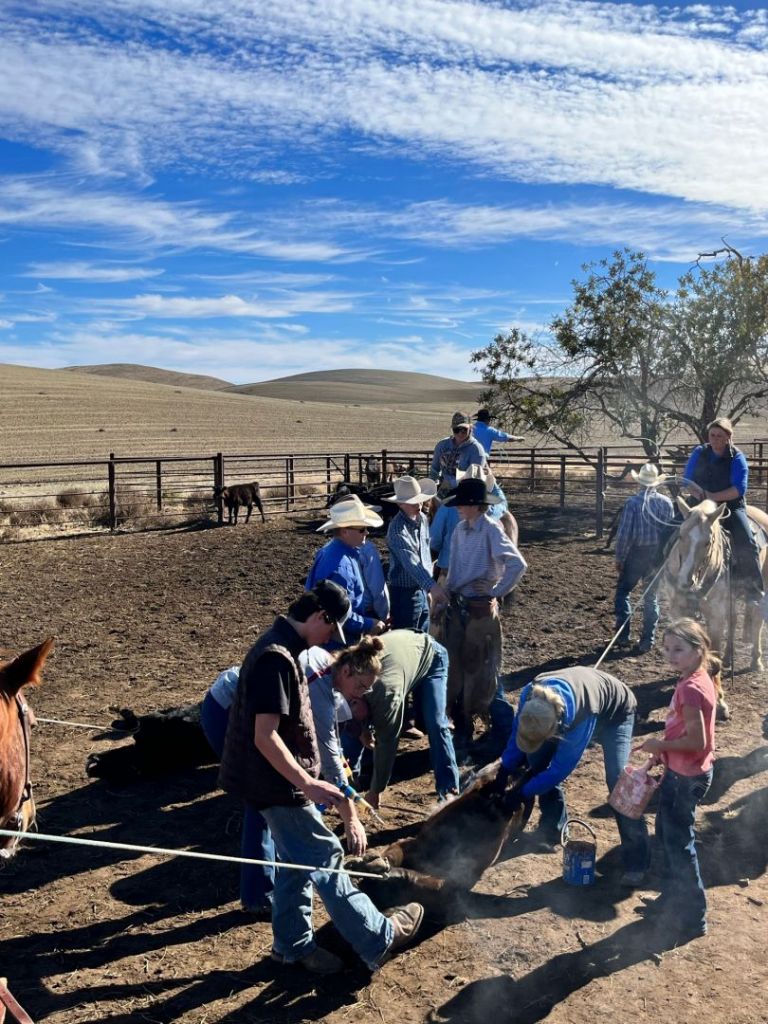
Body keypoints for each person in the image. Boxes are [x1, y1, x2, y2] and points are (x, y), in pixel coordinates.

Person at [218, 580, 423, 976]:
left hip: (274, 781)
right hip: (277, 785)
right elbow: (265, 736)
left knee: (296, 864)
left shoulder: (283, 649)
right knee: (326, 856)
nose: (331, 638)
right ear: (318, 617)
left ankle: (292, 946)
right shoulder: (276, 658)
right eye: (331, 629)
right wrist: (307, 783)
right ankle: (377, 937)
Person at [495, 666, 650, 885]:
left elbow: (559, 770)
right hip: (578, 699)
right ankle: (553, 828)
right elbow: (517, 735)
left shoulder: (580, 716)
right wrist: (505, 767)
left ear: (556, 729)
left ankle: (637, 861)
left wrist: (521, 792)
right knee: (537, 762)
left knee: (617, 781)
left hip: (616, 713)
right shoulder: (529, 695)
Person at [635, 618, 719, 939]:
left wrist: (661, 745)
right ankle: (672, 900)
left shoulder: (692, 688)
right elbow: (687, 732)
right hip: (681, 771)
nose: (671, 656)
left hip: (686, 778)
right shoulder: (694, 678)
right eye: (667, 649)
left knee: (680, 846)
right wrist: (663, 751)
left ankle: (693, 917)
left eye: (679, 650)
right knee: (669, 839)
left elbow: (698, 742)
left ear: (698, 650)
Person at [442, 475, 527, 751]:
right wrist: (447, 594)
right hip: (460, 606)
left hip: (480, 608)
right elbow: (454, 571)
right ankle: (465, 727)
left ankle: (503, 727)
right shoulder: (459, 530)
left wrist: (496, 591)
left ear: (476, 506)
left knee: (484, 671)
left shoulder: (491, 529)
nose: (458, 507)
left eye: (463, 503)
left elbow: (517, 564)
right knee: (456, 668)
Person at [338, 629, 460, 808]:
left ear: (359, 699)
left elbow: (387, 743)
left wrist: (376, 790)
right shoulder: (344, 679)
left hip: (430, 655)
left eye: (356, 717)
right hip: (402, 660)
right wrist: (361, 729)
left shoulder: (385, 695)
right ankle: (349, 788)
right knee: (350, 736)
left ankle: (449, 792)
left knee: (435, 724)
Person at [301, 635, 386, 856]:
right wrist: (351, 819)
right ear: (347, 671)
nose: (360, 694)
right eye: (360, 686)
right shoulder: (319, 685)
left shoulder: (331, 670)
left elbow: (333, 738)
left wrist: (341, 765)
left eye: (365, 689)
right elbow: (328, 754)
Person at [201, 666, 275, 916]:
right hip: (228, 711)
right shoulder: (313, 686)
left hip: (241, 706)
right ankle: (259, 895)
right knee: (261, 798)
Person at [683, 417, 764, 603]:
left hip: (730, 506)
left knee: (746, 538)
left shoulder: (737, 457)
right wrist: (699, 494)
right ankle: (661, 570)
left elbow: (738, 489)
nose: (715, 439)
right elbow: (687, 480)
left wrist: (711, 496)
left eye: (720, 435)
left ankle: (753, 591)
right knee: (672, 525)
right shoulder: (699, 452)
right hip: (699, 503)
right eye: (712, 435)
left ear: (728, 437)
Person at [306, 495, 387, 641]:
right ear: (345, 531)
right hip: (337, 639)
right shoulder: (341, 566)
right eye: (362, 529)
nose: (367, 533)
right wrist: (369, 624)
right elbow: (341, 614)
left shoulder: (332, 552)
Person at [613, 463, 675, 654]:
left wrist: (620, 558)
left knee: (623, 592)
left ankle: (623, 636)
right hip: (657, 556)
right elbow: (671, 532)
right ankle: (647, 640)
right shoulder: (666, 502)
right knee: (651, 597)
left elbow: (624, 535)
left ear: (639, 481)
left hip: (637, 554)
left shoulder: (632, 503)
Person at [384, 475, 447, 631]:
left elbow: (424, 553)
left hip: (421, 589)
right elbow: (411, 562)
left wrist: (429, 585)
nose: (418, 504)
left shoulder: (423, 519)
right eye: (412, 502)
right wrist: (432, 586)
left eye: (419, 499)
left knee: (423, 633)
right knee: (409, 635)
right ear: (400, 504)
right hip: (405, 594)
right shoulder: (397, 530)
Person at [429, 411, 487, 495]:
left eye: (464, 430)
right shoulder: (442, 445)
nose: (460, 433)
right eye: (456, 430)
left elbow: (475, 478)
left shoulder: (476, 450)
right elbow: (434, 469)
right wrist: (431, 487)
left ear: (470, 428)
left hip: (465, 493)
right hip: (442, 491)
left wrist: (451, 482)